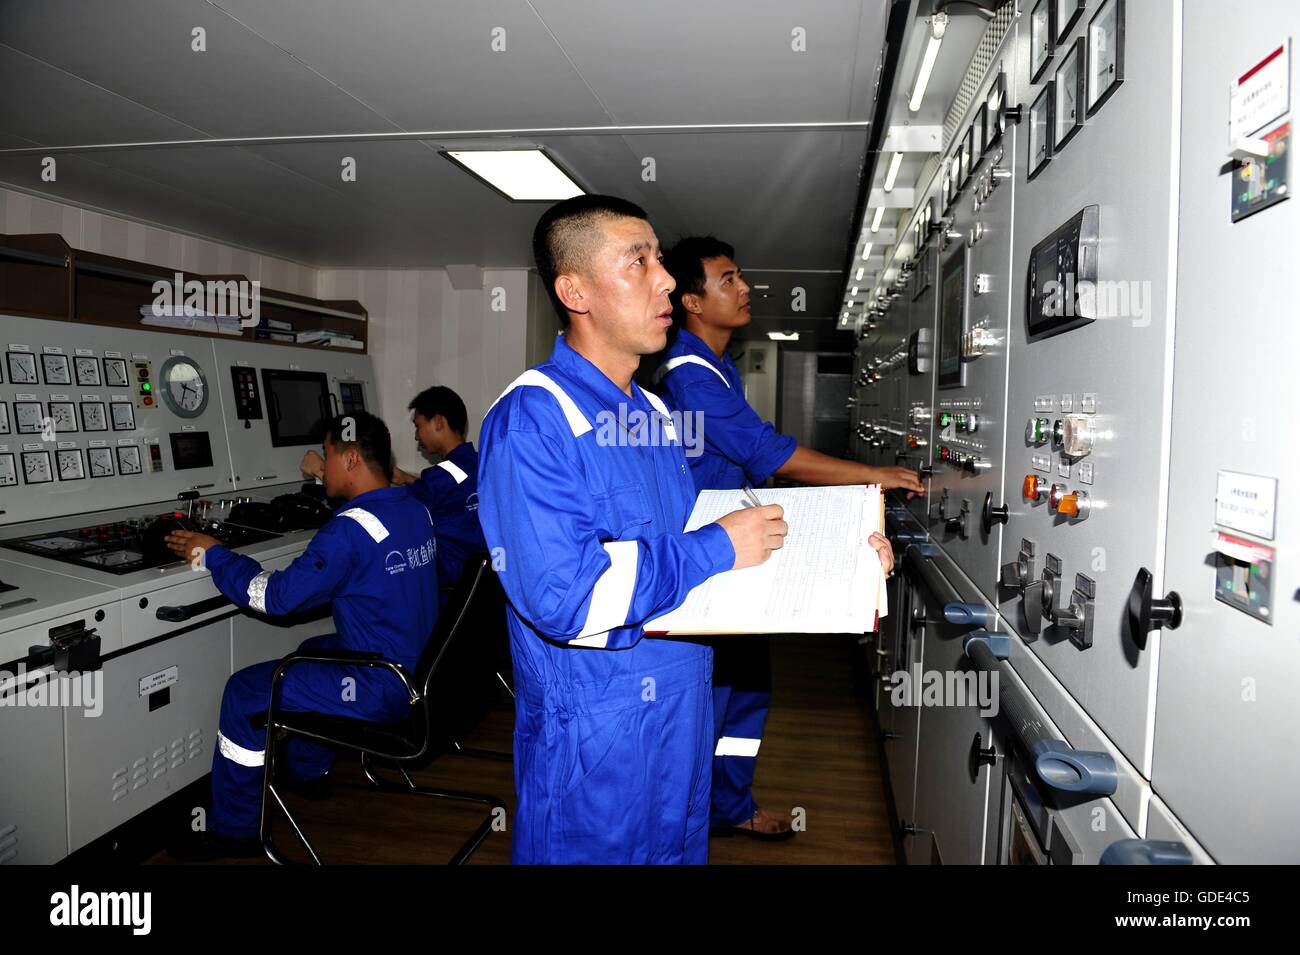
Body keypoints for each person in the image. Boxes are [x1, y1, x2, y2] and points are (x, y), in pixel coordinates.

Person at [477, 195, 788, 864]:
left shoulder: (650, 409)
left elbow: (703, 546)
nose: (667, 278)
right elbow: (572, 598)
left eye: (660, 260)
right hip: (599, 745)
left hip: (681, 720)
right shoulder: (533, 418)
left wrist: (839, 558)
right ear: (574, 290)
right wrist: (718, 545)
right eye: (638, 260)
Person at [657, 236, 911, 841]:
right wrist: (873, 475)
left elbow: (755, 465)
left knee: (746, 692)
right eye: (728, 279)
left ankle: (732, 806)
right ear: (692, 300)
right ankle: (693, 820)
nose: (745, 289)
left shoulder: (717, 368)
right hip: (706, 564)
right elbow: (768, 453)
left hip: (737, 554)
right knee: (713, 702)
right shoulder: (689, 378)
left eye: (741, 276)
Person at [166, 411, 441, 860]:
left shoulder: (347, 532)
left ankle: (235, 829)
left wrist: (214, 555)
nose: (321, 465)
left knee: (244, 693)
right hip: (421, 670)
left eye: (328, 457)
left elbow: (273, 597)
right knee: (313, 649)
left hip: (381, 686)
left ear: (351, 458)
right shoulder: (413, 507)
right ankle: (309, 772)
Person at [300, 386, 485, 600]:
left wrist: (322, 471)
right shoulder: (478, 463)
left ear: (438, 422)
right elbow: (454, 489)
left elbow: (385, 510)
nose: (416, 436)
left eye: (418, 425)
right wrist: (408, 479)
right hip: (473, 583)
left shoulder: (437, 479)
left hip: (445, 584)